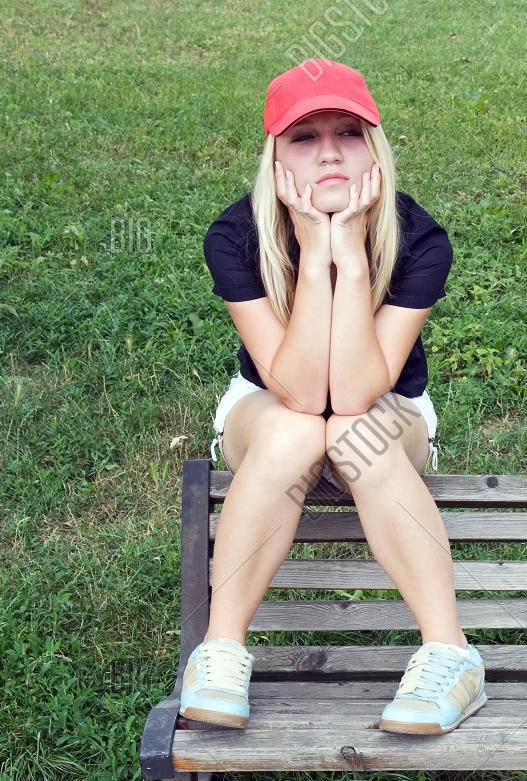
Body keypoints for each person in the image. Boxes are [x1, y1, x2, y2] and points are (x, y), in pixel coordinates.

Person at [180, 59, 485, 736]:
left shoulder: (418, 238)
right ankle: (221, 651)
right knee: (296, 428)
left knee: (353, 431)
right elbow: (295, 388)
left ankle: (451, 655)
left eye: (347, 132)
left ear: (374, 145)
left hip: (386, 410)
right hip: (269, 405)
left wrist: (347, 247)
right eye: (303, 137)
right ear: (274, 154)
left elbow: (351, 392)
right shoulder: (236, 237)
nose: (328, 154)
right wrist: (314, 254)